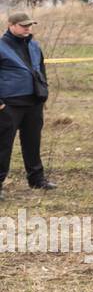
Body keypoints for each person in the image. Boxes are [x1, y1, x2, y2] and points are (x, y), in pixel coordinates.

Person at [0, 11, 52, 195]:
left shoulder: (34, 46)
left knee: (33, 143)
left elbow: (41, 70)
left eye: (29, 25)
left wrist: (43, 92)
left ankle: (37, 180)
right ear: (11, 25)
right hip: (9, 105)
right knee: (3, 146)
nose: (28, 28)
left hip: (33, 102)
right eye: (23, 25)